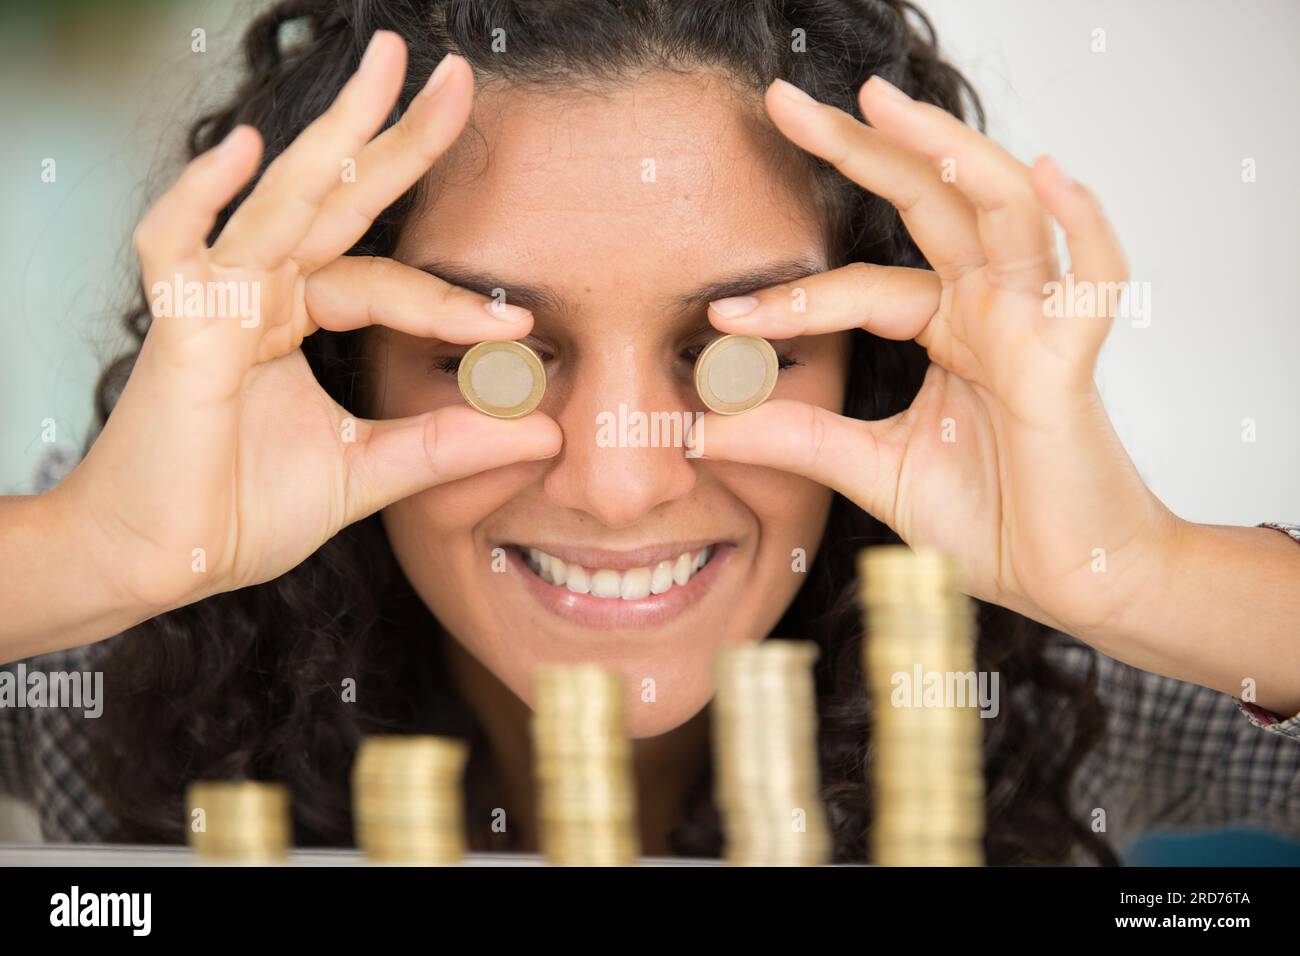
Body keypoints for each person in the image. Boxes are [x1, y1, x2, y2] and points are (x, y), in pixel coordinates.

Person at [2, 0, 1298, 865]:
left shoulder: (1030, 684)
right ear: (343, 367)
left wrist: (1145, 575)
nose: (618, 484)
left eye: (742, 358)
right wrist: (94, 552)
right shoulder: (112, 657)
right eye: (484, 360)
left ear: (871, 368)